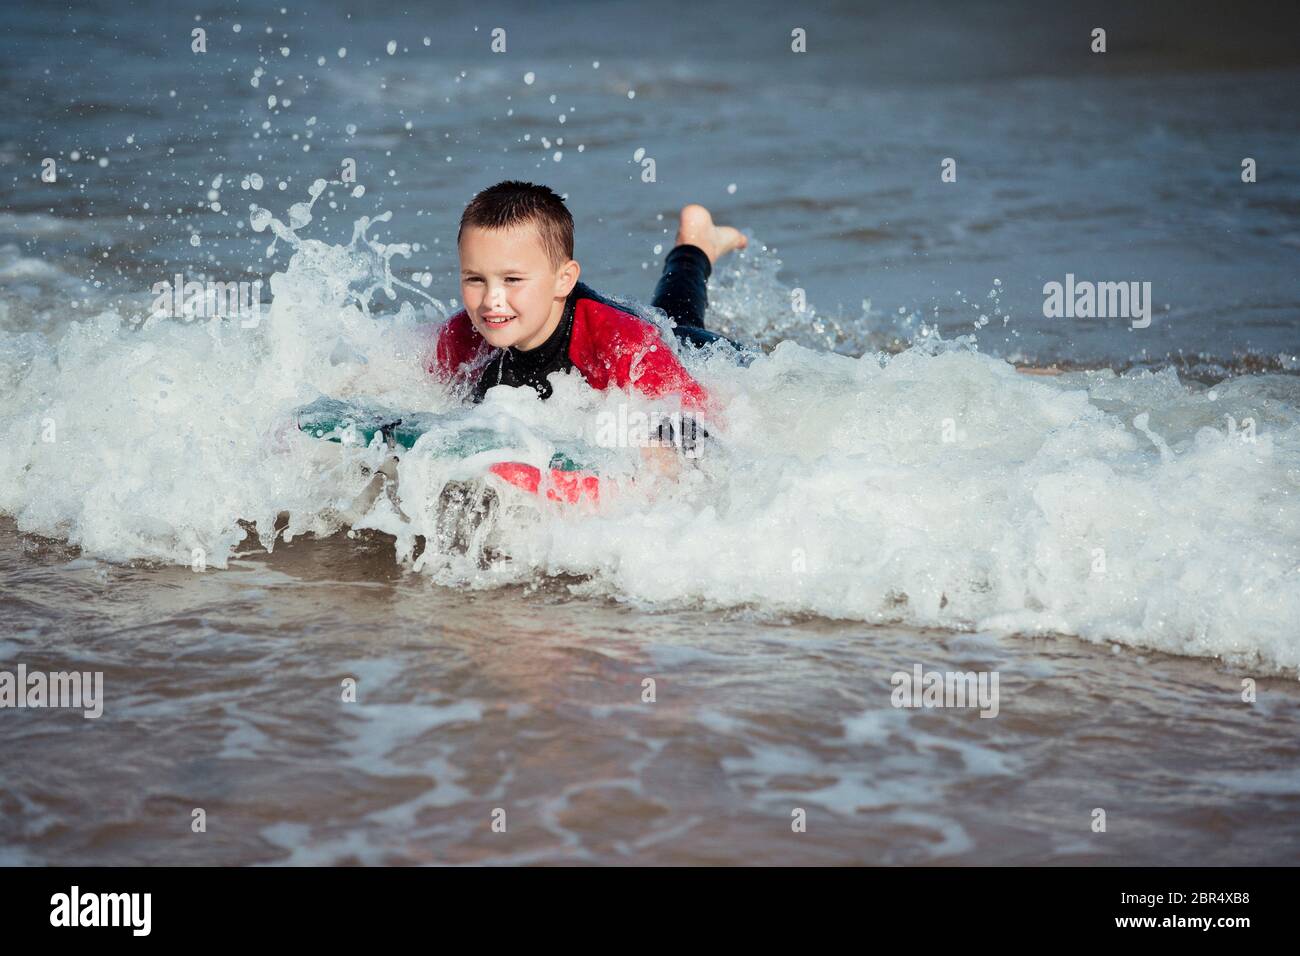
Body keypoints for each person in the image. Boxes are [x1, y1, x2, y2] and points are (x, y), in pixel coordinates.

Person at [427, 181, 747, 459]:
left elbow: (704, 429)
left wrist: (655, 458)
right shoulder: (464, 334)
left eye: (511, 279)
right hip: (631, 325)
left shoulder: (623, 346)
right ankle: (697, 240)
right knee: (672, 311)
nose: (490, 300)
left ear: (563, 280)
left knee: (679, 319)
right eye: (475, 279)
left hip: (694, 350)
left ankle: (697, 244)